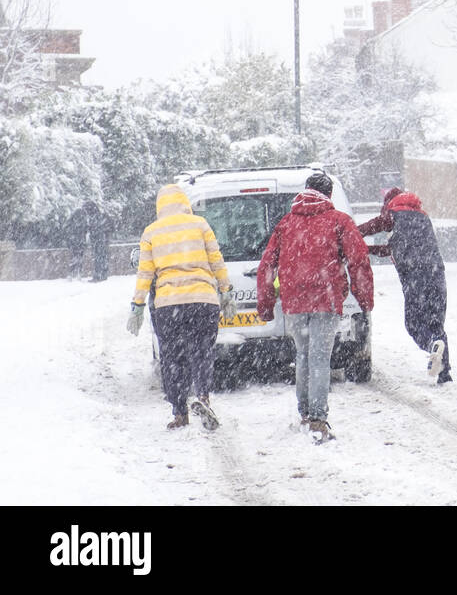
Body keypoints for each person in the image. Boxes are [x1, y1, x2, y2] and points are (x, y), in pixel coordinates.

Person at [257, 172, 374, 442]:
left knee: (303, 354)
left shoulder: (286, 223)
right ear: (329, 194)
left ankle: (305, 412)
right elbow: (358, 261)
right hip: (327, 298)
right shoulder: (339, 221)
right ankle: (318, 418)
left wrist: (265, 302)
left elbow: (267, 264)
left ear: (306, 191)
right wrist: (364, 298)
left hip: (294, 302)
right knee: (320, 357)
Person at [126, 184, 235, 431]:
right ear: (184, 202)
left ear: (160, 206)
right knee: (202, 352)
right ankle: (203, 396)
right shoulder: (200, 224)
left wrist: (138, 305)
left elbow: (145, 273)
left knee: (172, 358)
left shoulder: (151, 232)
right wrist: (226, 291)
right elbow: (216, 260)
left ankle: (179, 412)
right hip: (202, 300)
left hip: (168, 304)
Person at [359, 188, 451, 383]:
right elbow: (393, 249)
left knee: (414, 324)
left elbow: (369, 228)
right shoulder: (423, 218)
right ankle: (444, 373)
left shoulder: (392, 215)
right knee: (435, 323)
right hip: (436, 274)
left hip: (415, 276)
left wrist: (352, 236)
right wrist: (366, 249)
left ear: (388, 204)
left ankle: (432, 346)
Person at [67, 199, 110, 282]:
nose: (86, 212)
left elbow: (95, 228)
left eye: (86, 209)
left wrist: (90, 231)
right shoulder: (98, 216)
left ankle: (99, 276)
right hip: (100, 241)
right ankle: (101, 275)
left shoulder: (95, 217)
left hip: (99, 241)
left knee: (99, 258)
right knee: (100, 258)